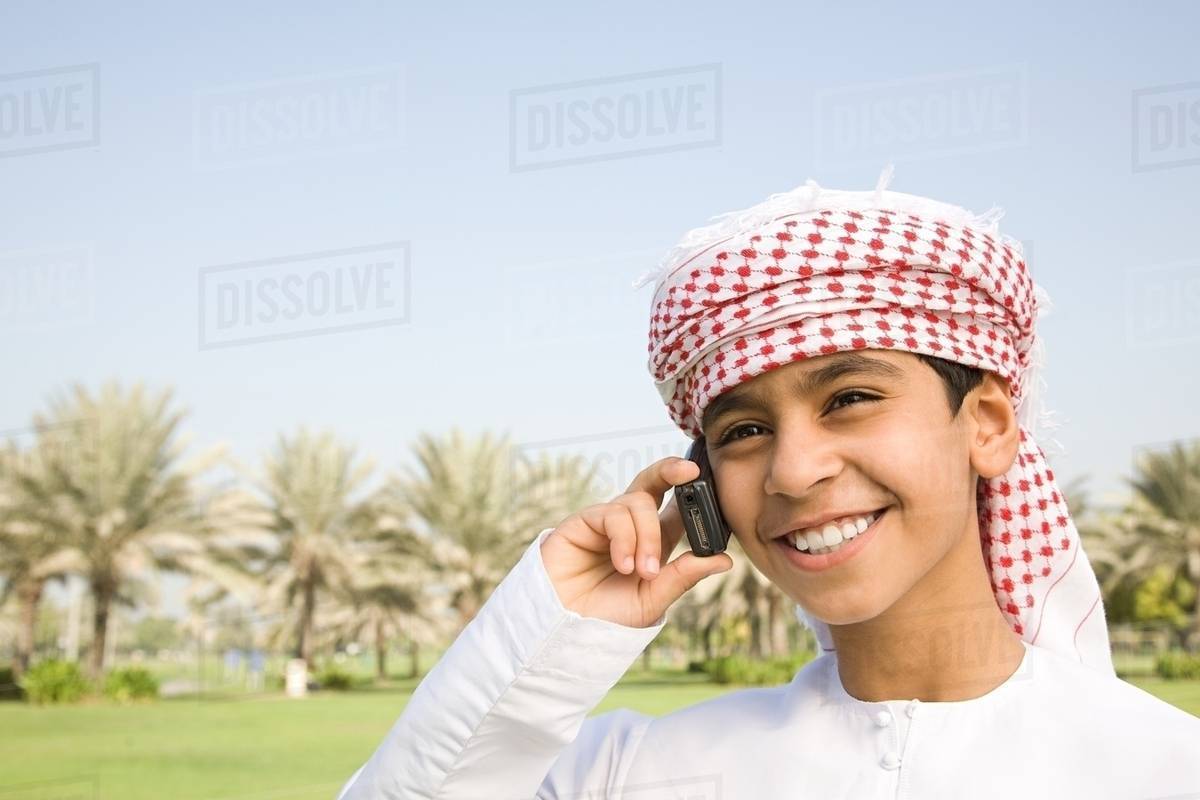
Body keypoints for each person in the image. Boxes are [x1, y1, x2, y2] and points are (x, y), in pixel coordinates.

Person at [336, 170, 1200, 799]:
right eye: (743, 431)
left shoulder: (1163, 767)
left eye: (851, 398)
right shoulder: (628, 774)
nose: (793, 469)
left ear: (988, 425)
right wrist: (552, 632)